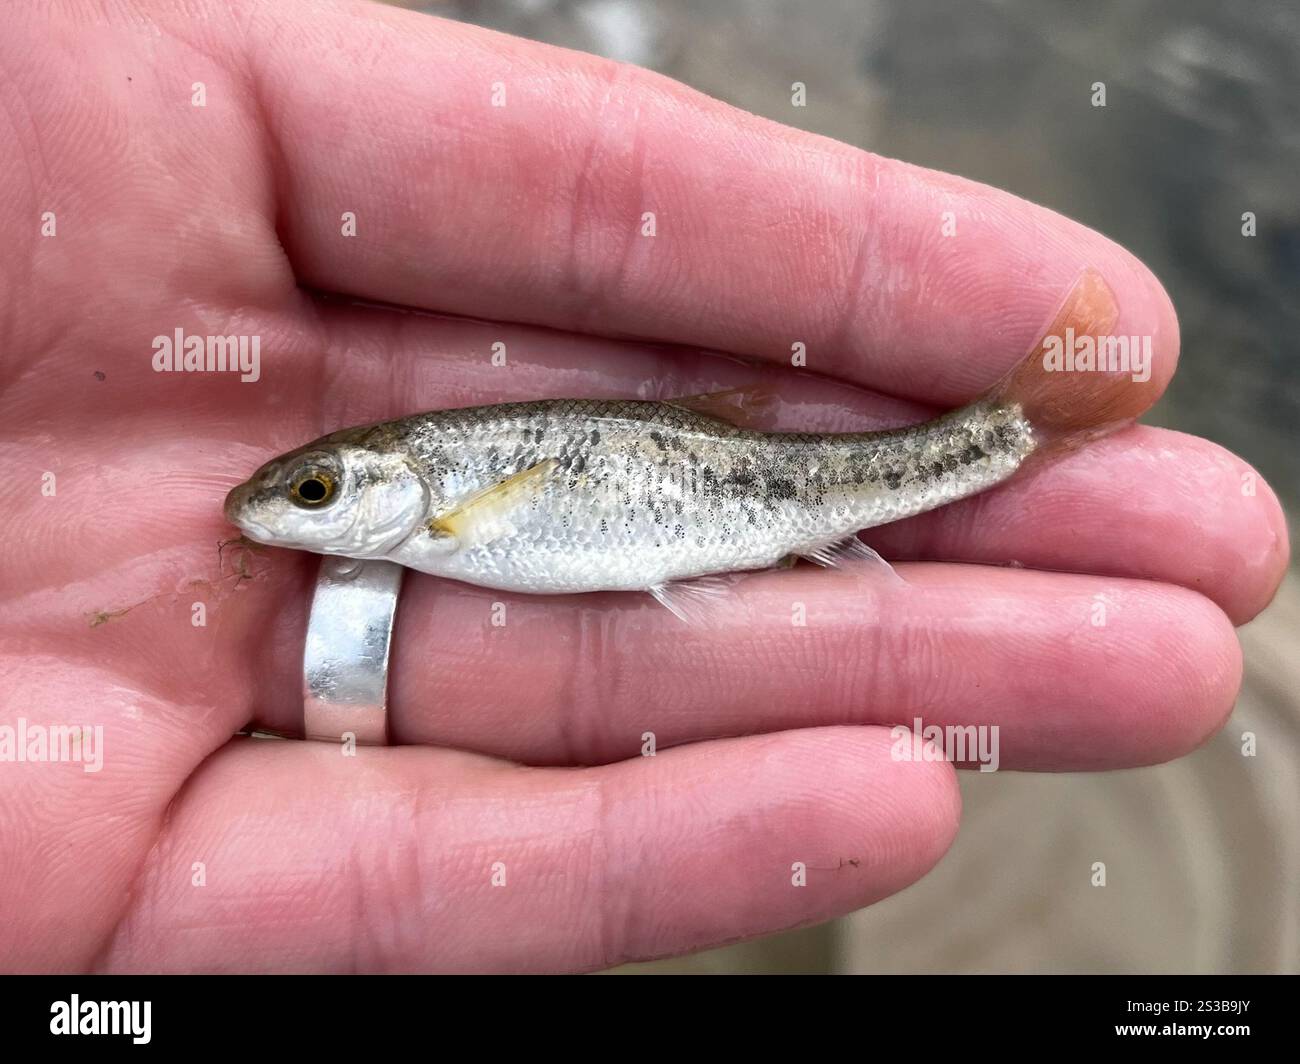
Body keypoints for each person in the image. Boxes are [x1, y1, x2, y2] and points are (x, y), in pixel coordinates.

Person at [0, 0, 1287, 973]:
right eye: (314, 495)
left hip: (756, 481)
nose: (286, 516)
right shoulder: (428, 512)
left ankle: (1015, 428)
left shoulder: (443, 504)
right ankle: (1016, 427)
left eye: (320, 493)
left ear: (395, 483)